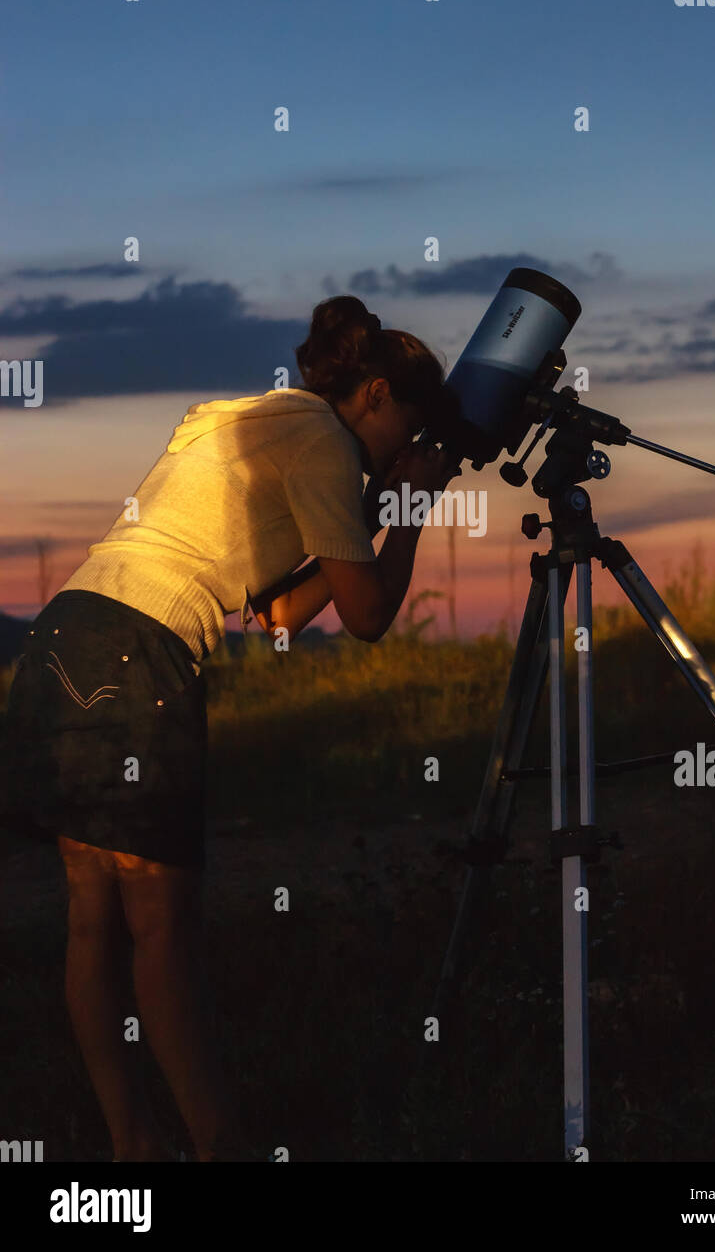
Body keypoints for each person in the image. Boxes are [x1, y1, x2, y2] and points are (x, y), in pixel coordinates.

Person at [0, 296, 460, 1161]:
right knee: (163, 932)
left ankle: (132, 1145)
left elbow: (284, 613)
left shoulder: (255, 420)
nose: (406, 443)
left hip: (64, 633)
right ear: (371, 393)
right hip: (140, 653)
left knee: (94, 921)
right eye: (408, 422)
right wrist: (409, 507)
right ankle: (223, 1150)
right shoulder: (328, 446)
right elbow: (364, 616)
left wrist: (374, 513)